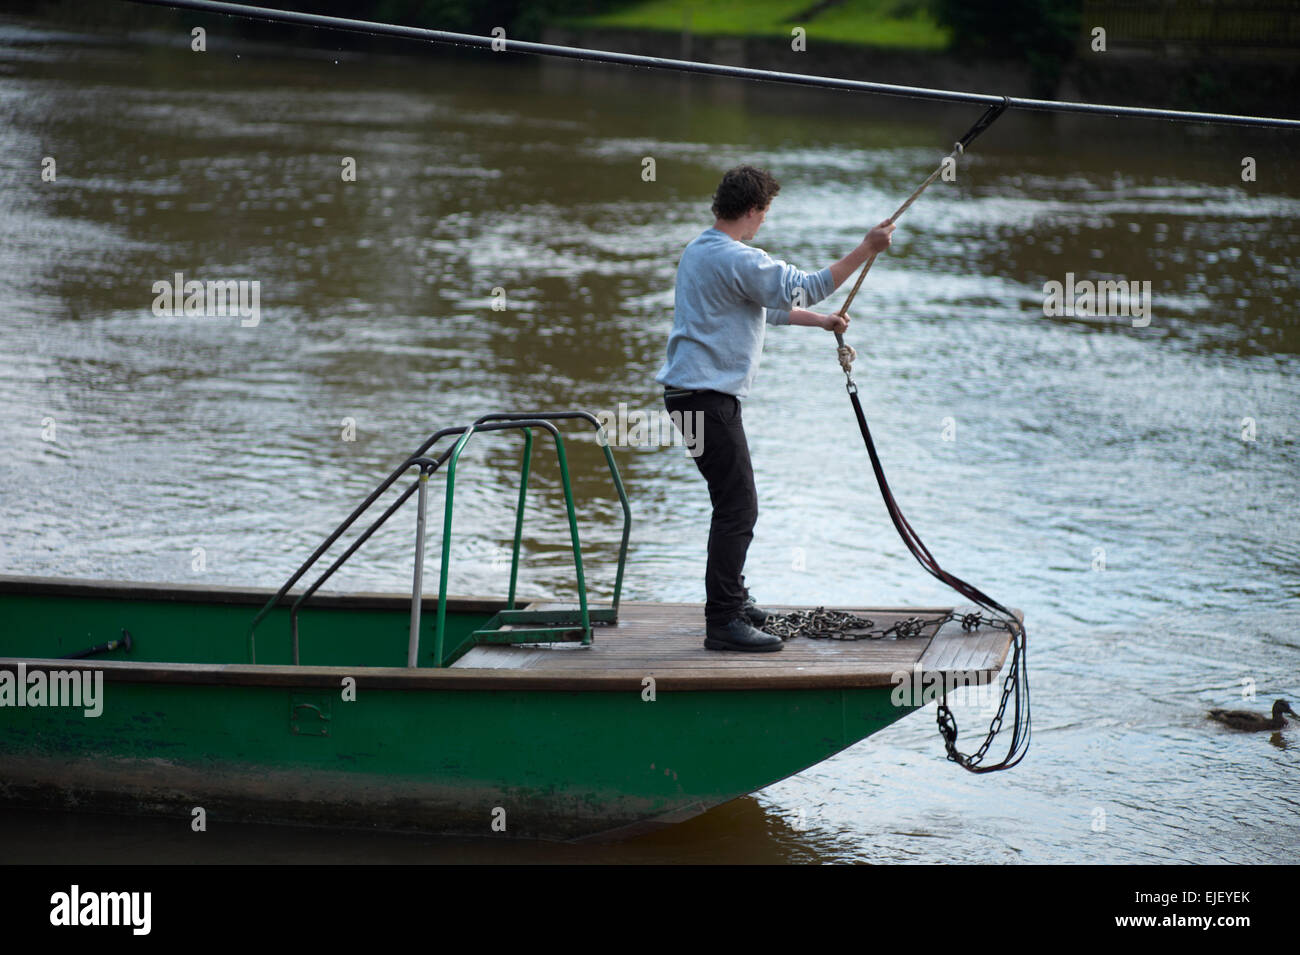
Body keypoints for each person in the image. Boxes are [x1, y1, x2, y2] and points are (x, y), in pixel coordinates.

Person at [656, 164, 895, 652]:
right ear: (752, 210)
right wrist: (866, 249)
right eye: (765, 213)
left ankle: (733, 600)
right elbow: (804, 284)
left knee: (732, 503)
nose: (764, 222)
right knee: (738, 508)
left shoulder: (701, 250)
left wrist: (822, 322)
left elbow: (771, 306)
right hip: (707, 399)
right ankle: (722, 620)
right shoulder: (739, 257)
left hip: (688, 396)